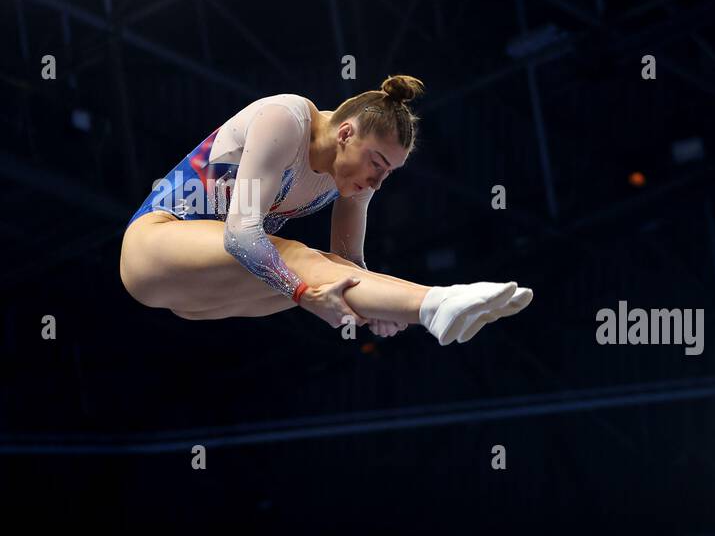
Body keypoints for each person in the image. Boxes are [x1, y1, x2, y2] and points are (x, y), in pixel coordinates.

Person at [119, 74, 530, 344]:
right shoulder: (285, 119)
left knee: (334, 269)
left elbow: (349, 264)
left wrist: (375, 309)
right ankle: (436, 301)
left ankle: (433, 307)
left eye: (389, 173)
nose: (377, 182)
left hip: (199, 299)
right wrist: (303, 294)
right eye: (377, 164)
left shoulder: (354, 181)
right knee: (295, 256)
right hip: (153, 247)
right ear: (346, 133)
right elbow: (241, 234)